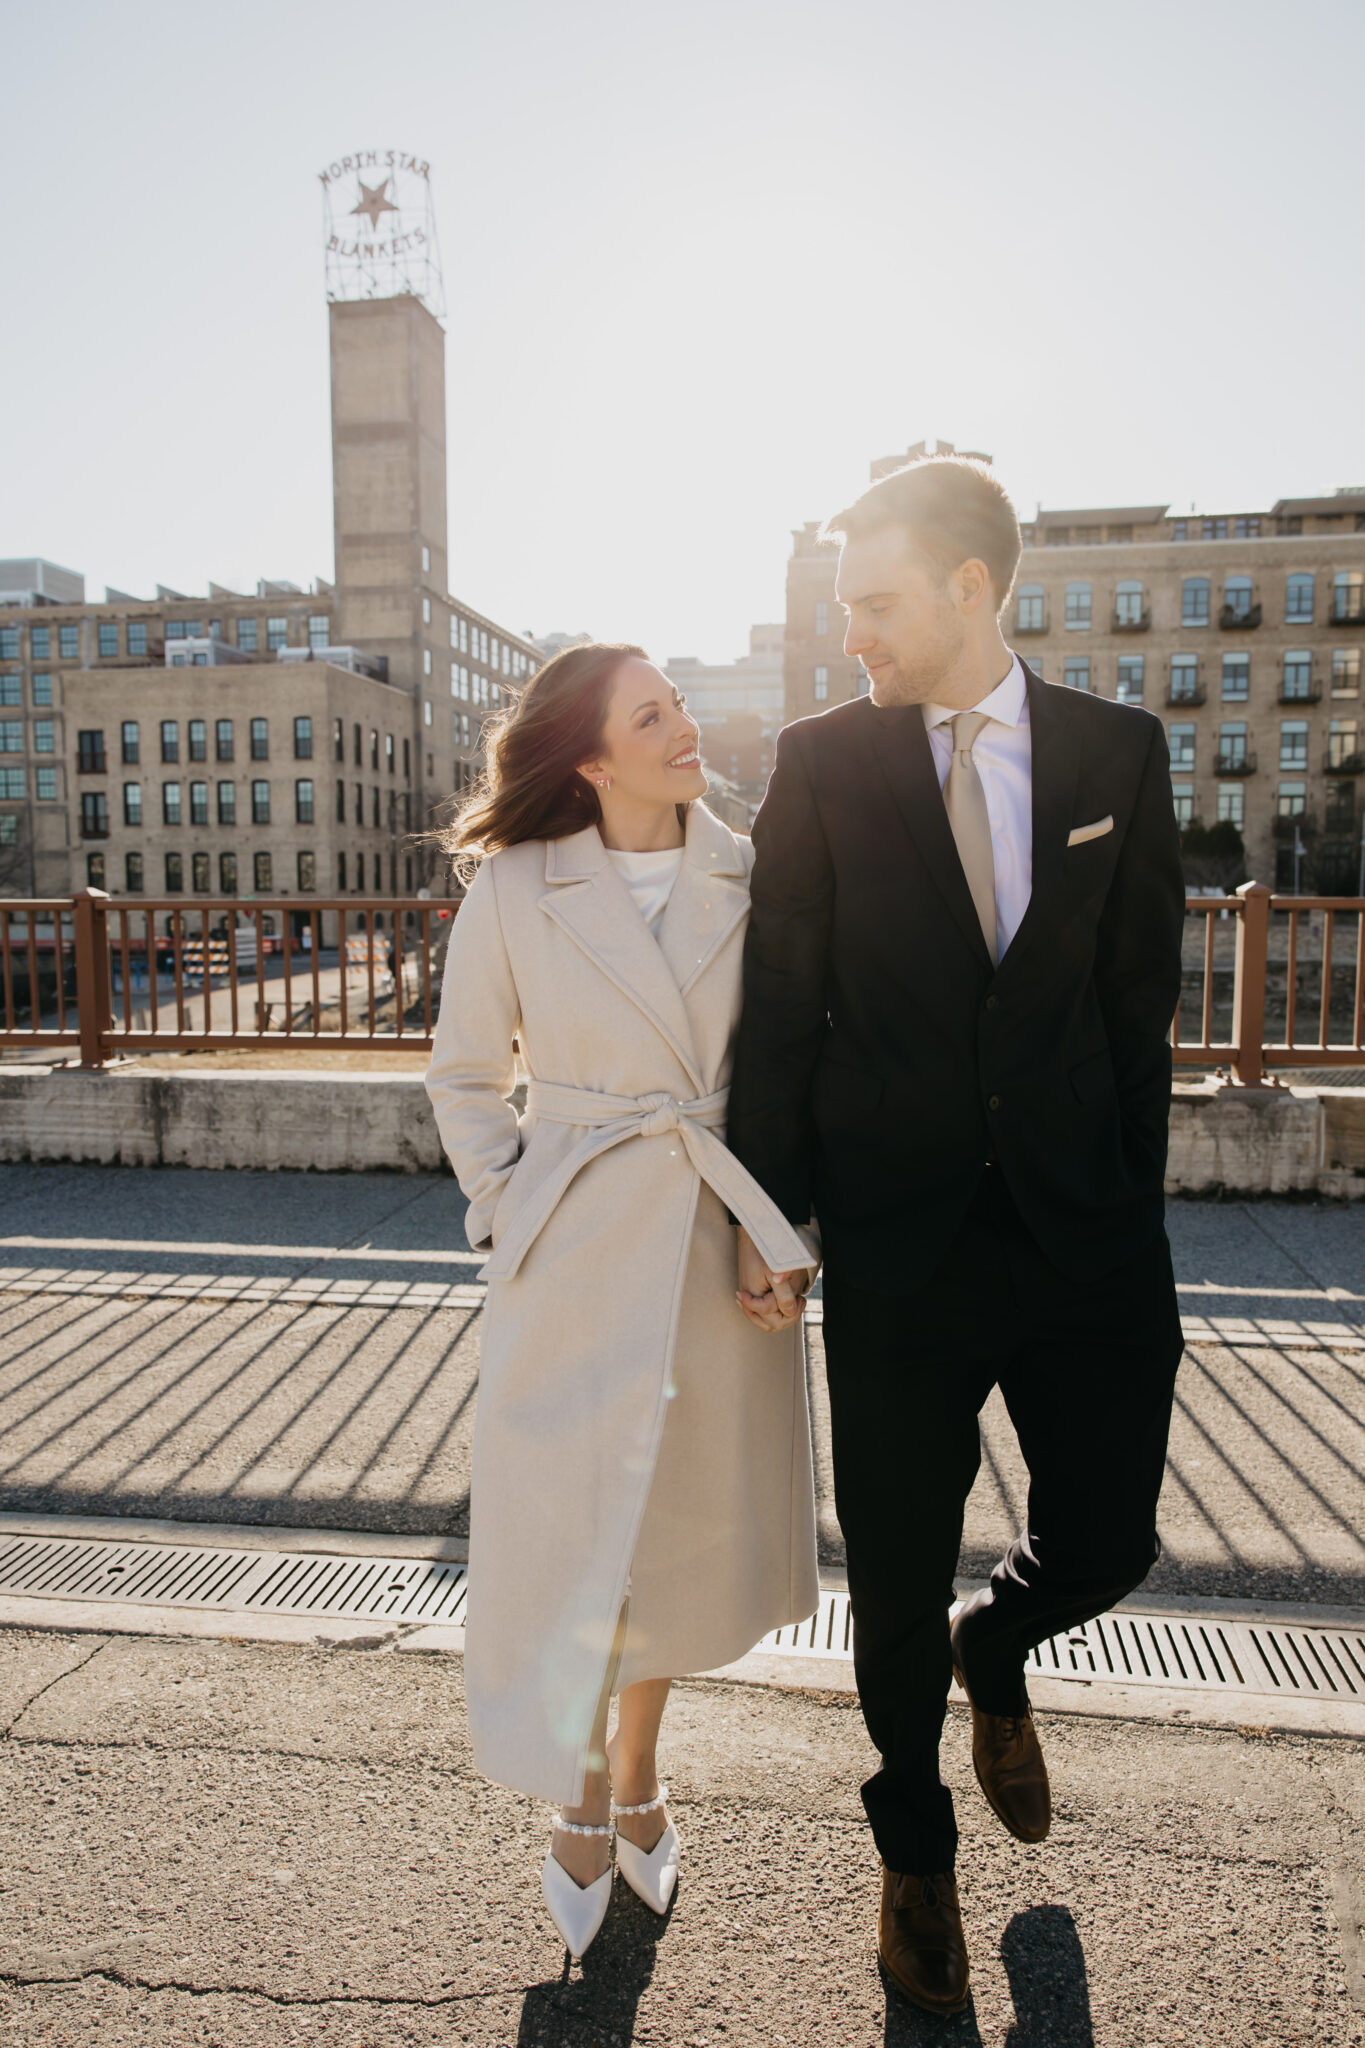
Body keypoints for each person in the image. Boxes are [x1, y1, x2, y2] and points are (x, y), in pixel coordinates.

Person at [728, 455, 1185, 2014]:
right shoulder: (820, 764)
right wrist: (772, 1217)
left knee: (1112, 1540)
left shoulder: (1121, 751)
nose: (850, 632)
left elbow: (1137, 999)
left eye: (875, 603)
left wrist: (1132, 1179)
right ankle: (909, 1855)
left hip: (1085, 1236)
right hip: (898, 1242)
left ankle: (1002, 1650)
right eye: (844, 604)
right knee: (895, 1568)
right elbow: (780, 1004)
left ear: (971, 589)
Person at [424, 643, 819, 1963]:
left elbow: (790, 1076)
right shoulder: (516, 889)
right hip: (574, 1249)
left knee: (675, 1537)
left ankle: (639, 1774)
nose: (683, 725)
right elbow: (467, 1077)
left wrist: (784, 1237)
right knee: (568, 1535)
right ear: (590, 759)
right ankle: (579, 1787)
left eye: (679, 704)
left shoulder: (752, 877)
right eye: (651, 715)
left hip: (715, 1250)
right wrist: (506, 1208)